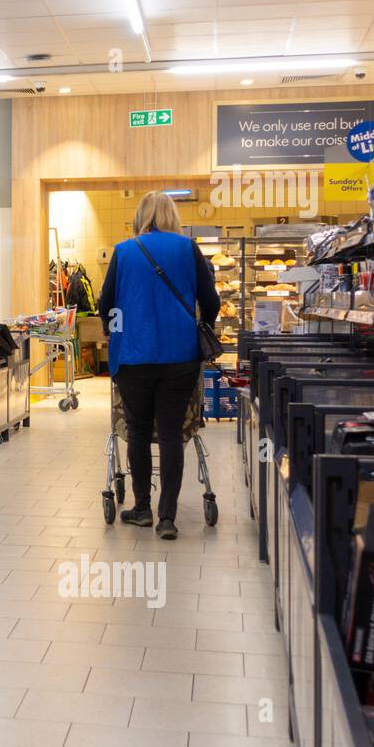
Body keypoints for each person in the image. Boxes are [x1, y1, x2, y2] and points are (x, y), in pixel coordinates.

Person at [95, 191, 219, 540]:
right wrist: (201, 323)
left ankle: (142, 509)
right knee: (170, 434)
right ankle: (168, 517)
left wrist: (114, 328)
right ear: (172, 216)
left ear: (141, 215)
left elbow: (106, 304)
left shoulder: (123, 250)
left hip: (133, 356)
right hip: (180, 357)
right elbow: (211, 300)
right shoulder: (188, 248)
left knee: (137, 429)